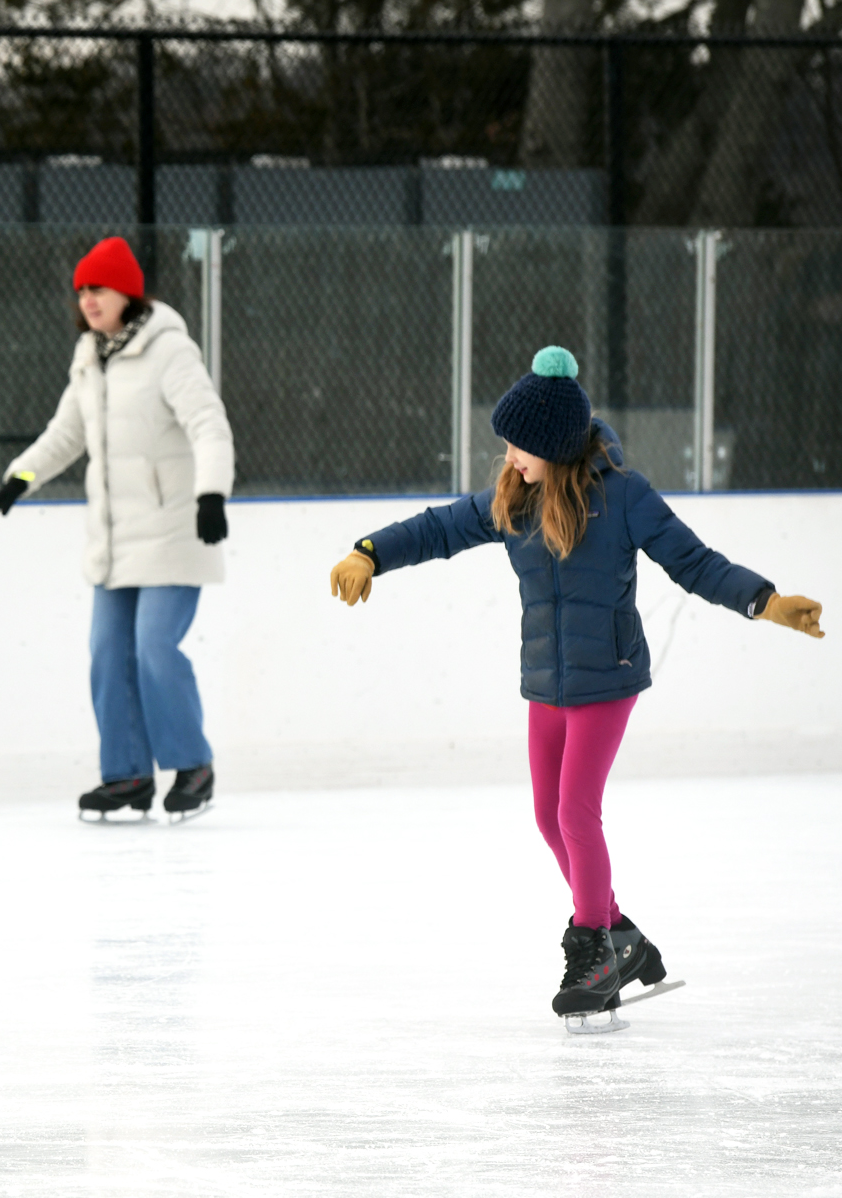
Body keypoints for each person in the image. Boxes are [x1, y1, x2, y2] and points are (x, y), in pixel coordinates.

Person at [327, 346, 824, 1027]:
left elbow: (695, 563)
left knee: (574, 812)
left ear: (556, 447)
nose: (508, 458)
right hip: (546, 682)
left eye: (519, 446)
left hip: (607, 679)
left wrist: (763, 601)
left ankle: (592, 945)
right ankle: (619, 934)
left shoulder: (625, 497)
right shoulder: (514, 500)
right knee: (545, 814)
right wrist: (370, 552)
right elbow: (438, 527)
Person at [0, 236, 235, 822]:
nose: (88, 300)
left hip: (174, 532)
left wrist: (211, 495)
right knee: (106, 654)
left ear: (127, 291)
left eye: (98, 288)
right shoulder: (89, 355)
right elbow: (66, 433)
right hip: (114, 540)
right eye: (82, 291)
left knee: (154, 650)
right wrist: (19, 477)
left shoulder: (168, 351)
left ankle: (192, 764)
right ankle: (126, 775)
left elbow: (209, 424)